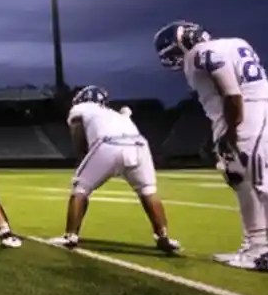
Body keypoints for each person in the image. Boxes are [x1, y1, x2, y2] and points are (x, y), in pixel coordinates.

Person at [154, 21, 268, 274]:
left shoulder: (200, 53)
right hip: (242, 115)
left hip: (246, 114)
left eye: (173, 50)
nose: (173, 58)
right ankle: (255, 248)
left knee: (265, 183)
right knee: (241, 183)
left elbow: (232, 94)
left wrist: (231, 131)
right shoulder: (235, 43)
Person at [49, 86, 179, 253]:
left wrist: (81, 157)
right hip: (139, 145)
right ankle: (163, 236)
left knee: (80, 189)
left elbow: (78, 136)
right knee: (148, 191)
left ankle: (71, 236)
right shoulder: (116, 114)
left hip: (109, 144)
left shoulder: (80, 109)